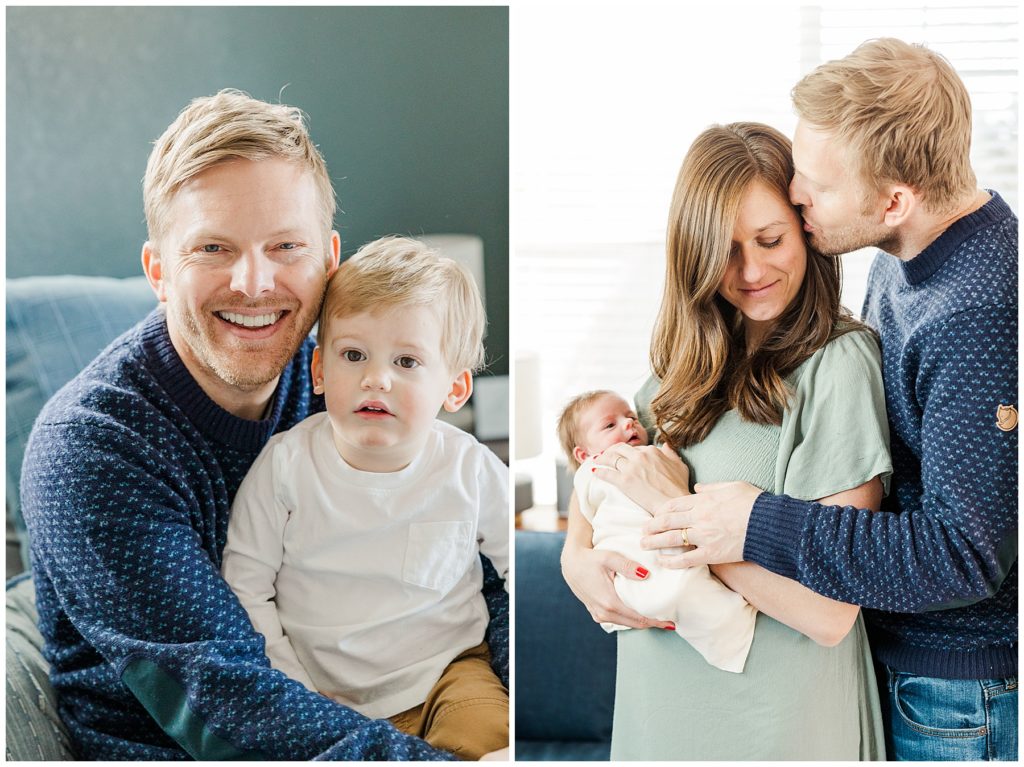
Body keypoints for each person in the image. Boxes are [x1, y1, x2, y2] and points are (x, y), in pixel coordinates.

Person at [20, 90, 508, 761]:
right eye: (214, 248)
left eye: (286, 246)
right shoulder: (92, 449)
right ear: (158, 271)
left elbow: (482, 571)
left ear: (329, 260)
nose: (254, 282)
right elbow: (229, 705)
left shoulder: (348, 382)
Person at [612, 39, 1018, 761]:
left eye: (815, 188)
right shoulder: (906, 260)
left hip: (962, 694)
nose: (798, 196)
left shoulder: (978, 309)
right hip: (907, 668)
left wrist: (748, 522)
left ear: (893, 198)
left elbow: (963, 553)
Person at [560, 121, 893, 760]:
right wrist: (575, 558)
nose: (750, 270)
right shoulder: (671, 376)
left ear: (806, 229)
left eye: (770, 239)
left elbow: (828, 615)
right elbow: (606, 484)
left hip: (772, 720)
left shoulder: (838, 365)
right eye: (724, 249)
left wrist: (672, 512)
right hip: (656, 708)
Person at [221, 237, 509, 760]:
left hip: (448, 673)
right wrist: (294, 685)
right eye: (353, 355)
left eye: (407, 361)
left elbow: (519, 567)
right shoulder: (286, 466)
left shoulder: (469, 468)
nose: (376, 378)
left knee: (490, 742)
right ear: (320, 370)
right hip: (325, 691)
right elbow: (246, 585)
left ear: (455, 388)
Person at [556, 389, 756, 672]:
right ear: (584, 453)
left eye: (631, 417)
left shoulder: (652, 454)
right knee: (673, 588)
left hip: (668, 537)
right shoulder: (591, 472)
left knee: (687, 587)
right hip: (628, 552)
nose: (629, 424)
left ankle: (729, 637)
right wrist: (575, 553)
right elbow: (588, 512)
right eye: (610, 425)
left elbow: (676, 477)